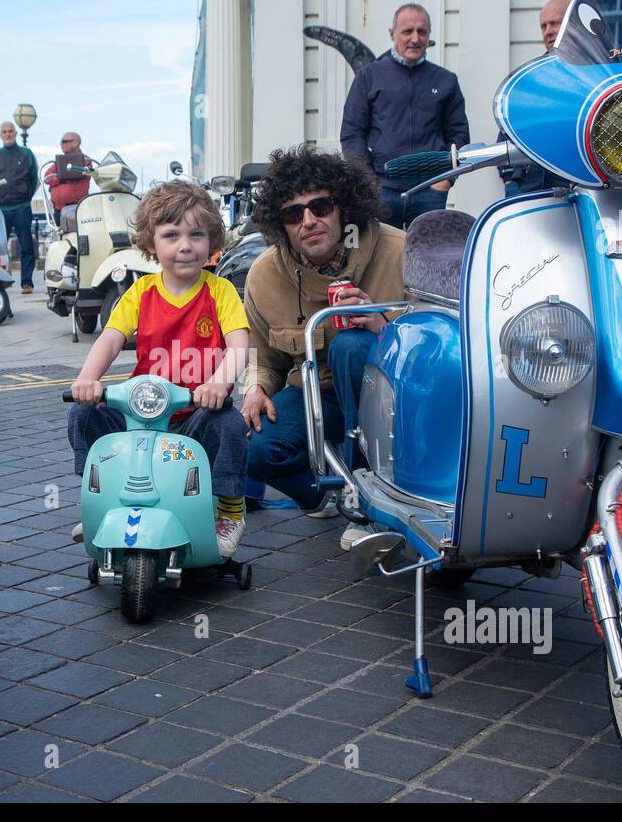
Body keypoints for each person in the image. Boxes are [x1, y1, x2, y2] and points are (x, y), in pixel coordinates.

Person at [67, 180, 251, 557]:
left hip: (197, 412)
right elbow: (110, 339)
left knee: (230, 425)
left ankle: (231, 510)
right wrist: (89, 378)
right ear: (151, 244)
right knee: (83, 413)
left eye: (196, 234)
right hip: (142, 416)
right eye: (171, 235)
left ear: (211, 240)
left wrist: (219, 382)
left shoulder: (220, 292)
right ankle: (96, 498)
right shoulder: (141, 292)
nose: (185, 245)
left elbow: (239, 347)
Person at [241, 146, 404, 515]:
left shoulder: (398, 250)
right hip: (319, 398)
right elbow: (263, 358)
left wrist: (385, 329)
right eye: (293, 213)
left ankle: (368, 491)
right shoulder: (265, 276)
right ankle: (323, 497)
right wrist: (255, 388)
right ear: (280, 225)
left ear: (344, 206)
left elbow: (440, 344)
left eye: (321, 206)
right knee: (253, 447)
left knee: (351, 345)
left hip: (393, 403)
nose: (309, 220)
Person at [341, 3, 470, 230]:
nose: (415, 38)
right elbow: (352, 133)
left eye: (422, 31)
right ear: (392, 34)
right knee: (382, 260)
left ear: (429, 35)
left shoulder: (446, 81)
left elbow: (459, 134)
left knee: (428, 259)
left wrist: (446, 179)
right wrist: (367, 181)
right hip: (381, 190)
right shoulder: (369, 77)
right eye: (407, 31)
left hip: (430, 190)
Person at [499, 0, 572, 196]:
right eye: (543, 26)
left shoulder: (595, 71)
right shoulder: (529, 77)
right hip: (527, 186)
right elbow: (505, 130)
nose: (548, 30)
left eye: (555, 23)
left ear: (573, 23)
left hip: (576, 184)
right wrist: (509, 179)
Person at [0, 121, 40, 292]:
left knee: (26, 246)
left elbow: (34, 179)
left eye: (10, 131)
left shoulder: (26, 154)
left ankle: (27, 282)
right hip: (1, 208)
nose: (8, 134)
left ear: (15, 133)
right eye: (4, 131)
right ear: (0, 135)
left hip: (21, 207)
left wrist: (26, 195)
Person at [44, 131, 94, 223]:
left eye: (64, 141)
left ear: (75, 143)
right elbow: (47, 177)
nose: (61, 144)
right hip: (58, 209)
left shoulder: (85, 160)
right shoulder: (59, 162)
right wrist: (61, 178)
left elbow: (75, 174)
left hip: (75, 208)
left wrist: (59, 176)